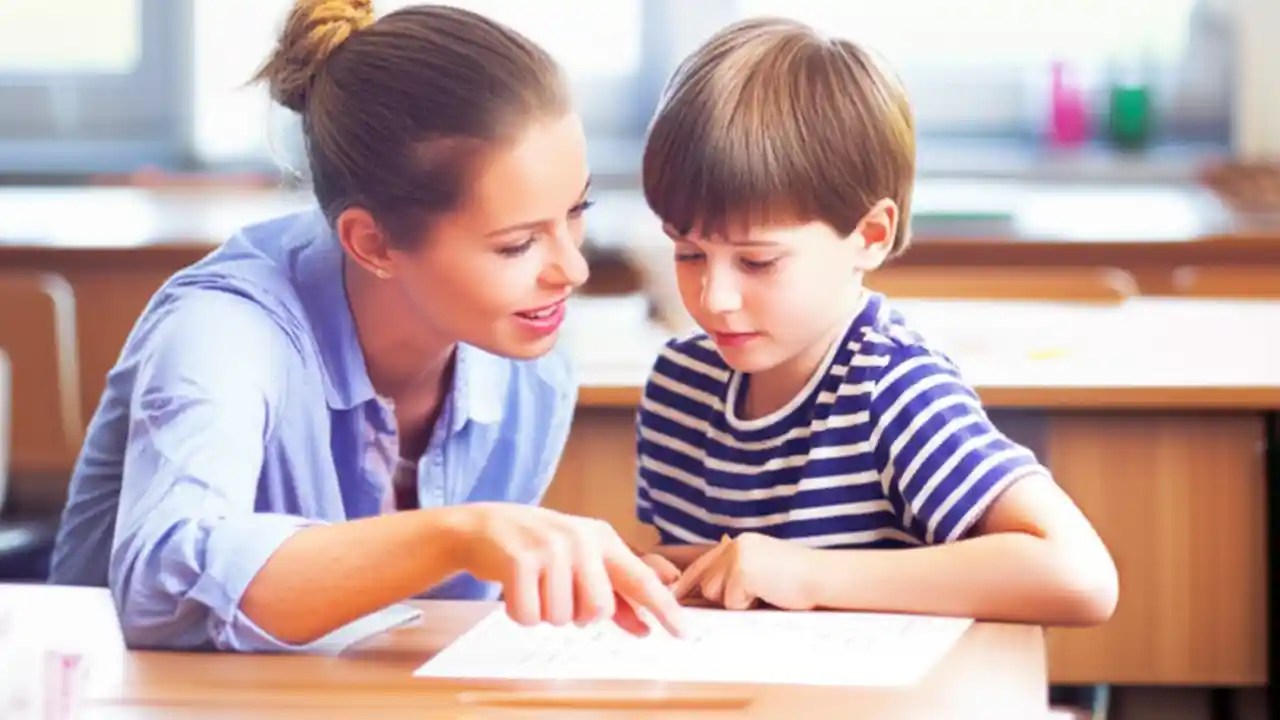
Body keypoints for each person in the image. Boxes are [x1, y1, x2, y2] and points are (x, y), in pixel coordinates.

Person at [48, 0, 682, 651]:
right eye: (517, 245)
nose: (572, 269)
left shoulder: (530, 361)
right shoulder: (222, 331)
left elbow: (422, 643)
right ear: (372, 244)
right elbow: (161, 590)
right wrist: (456, 534)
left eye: (577, 211)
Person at [633, 18, 1118, 624]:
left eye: (756, 261)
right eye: (687, 253)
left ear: (869, 235)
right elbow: (708, 567)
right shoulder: (681, 383)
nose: (715, 297)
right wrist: (652, 569)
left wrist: (809, 572)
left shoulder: (889, 387)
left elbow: (1080, 576)